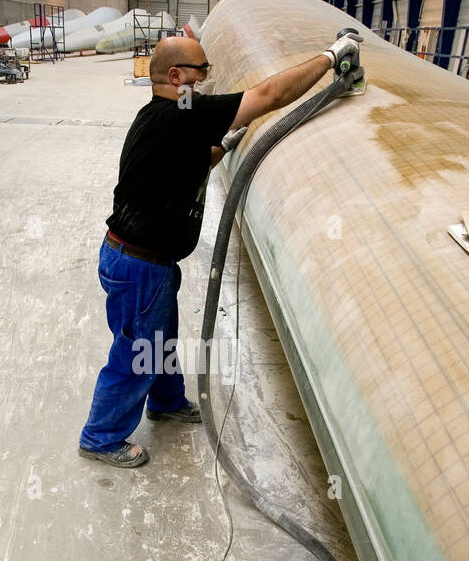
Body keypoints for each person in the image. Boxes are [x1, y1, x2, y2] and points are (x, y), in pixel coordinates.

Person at [78, 31, 361, 468]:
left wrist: (222, 145)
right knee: (136, 355)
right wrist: (330, 57)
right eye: (202, 71)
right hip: (138, 265)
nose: (207, 79)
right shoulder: (181, 112)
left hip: (147, 261)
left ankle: (166, 402)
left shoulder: (162, 117)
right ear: (177, 76)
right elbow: (269, 95)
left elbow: (188, 161)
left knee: (160, 341)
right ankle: (100, 437)